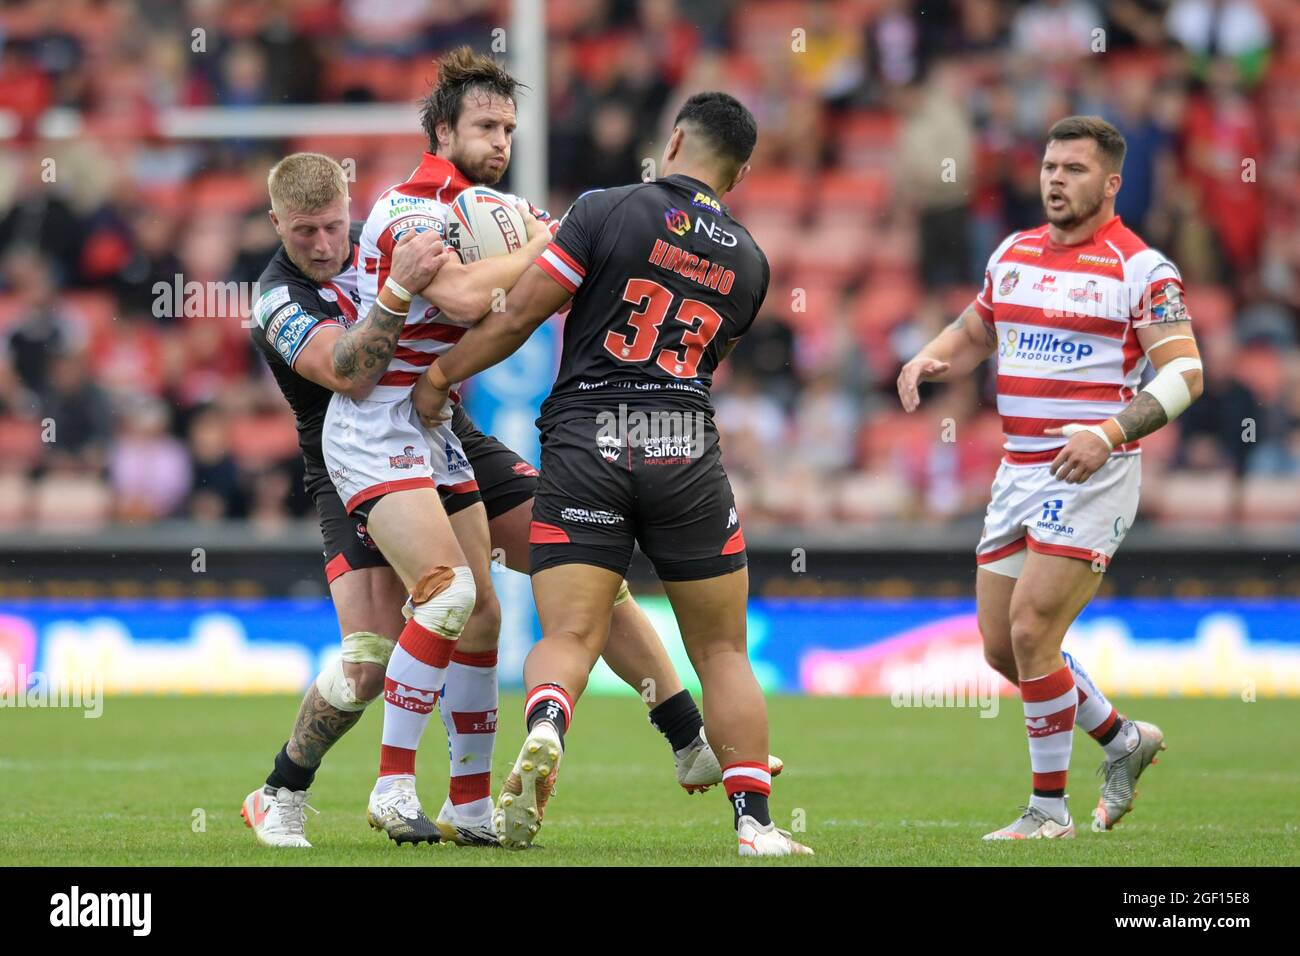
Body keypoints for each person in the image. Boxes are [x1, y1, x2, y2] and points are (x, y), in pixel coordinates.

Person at [310, 51, 776, 846]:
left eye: (510, 129)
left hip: (469, 426)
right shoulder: (410, 205)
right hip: (388, 418)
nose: (502, 141)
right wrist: (563, 240)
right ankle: (388, 785)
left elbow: (529, 292)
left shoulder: (503, 207)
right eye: (487, 127)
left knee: (549, 603)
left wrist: (572, 235)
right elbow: (467, 296)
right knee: (457, 597)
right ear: (443, 128)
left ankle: (521, 784)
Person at [414, 91, 812, 857]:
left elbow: (521, 311)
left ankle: (547, 725)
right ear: (741, 171)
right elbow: (701, 362)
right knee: (724, 652)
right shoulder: (752, 262)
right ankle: (757, 827)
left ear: (674, 140)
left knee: (570, 629)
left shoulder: (605, 208)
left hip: (587, 438)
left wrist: (442, 375)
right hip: (683, 445)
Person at [897, 115, 1202, 839]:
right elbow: (977, 331)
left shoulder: (1141, 268)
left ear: (1111, 182)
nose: (1056, 180)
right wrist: (927, 357)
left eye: (1073, 169)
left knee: (1034, 629)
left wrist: (1108, 433)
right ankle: (1124, 739)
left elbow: (1187, 371)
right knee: (1002, 646)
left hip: (1092, 471)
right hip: (1018, 472)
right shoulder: (1014, 252)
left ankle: (1047, 813)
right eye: (1050, 167)